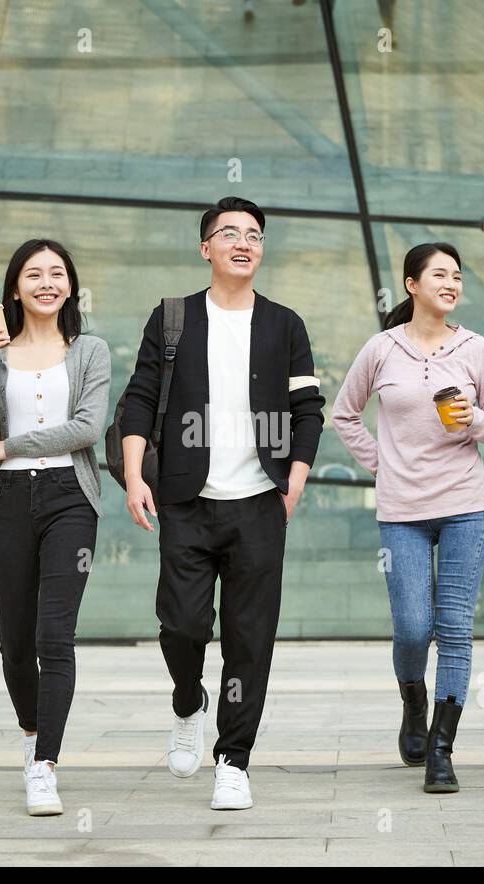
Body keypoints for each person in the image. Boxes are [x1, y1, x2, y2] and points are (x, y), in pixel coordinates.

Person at [119, 196, 325, 810]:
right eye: (229, 233)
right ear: (205, 247)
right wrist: (134, 476)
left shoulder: (285, 323)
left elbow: (308, 410)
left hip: (260, 502)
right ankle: (188, 699)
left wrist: (296, 479)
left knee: (249, 637)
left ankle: (234, 759)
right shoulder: (174, 317)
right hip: (186, 498)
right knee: (181, 626)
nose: (244, 242)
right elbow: (139, 398)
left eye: (255, 235)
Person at [333, 242, 484, 793]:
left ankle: (441, 747)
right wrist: (381, 465)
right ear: (411, 284)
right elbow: (343, 414)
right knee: (413, 627)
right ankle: (413, 695)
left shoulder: (477, 349)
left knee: (455, 629)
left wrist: (475, 419)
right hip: (402, 512)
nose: (451, 283)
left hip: (465, 507)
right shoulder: (381, 349)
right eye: (440, 274)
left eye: (458, 275)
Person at [0, 239, 111, 815]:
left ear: (70, 285)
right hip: (6, 500)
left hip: (70, 498)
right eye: (33, 274)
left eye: (56, 273)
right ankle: (31, 738)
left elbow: (86, 429)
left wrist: (13, 444)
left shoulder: (90, 351)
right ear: (15, 288)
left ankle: (46, 764)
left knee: (56, 636)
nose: (46, 282)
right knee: (15, 643)